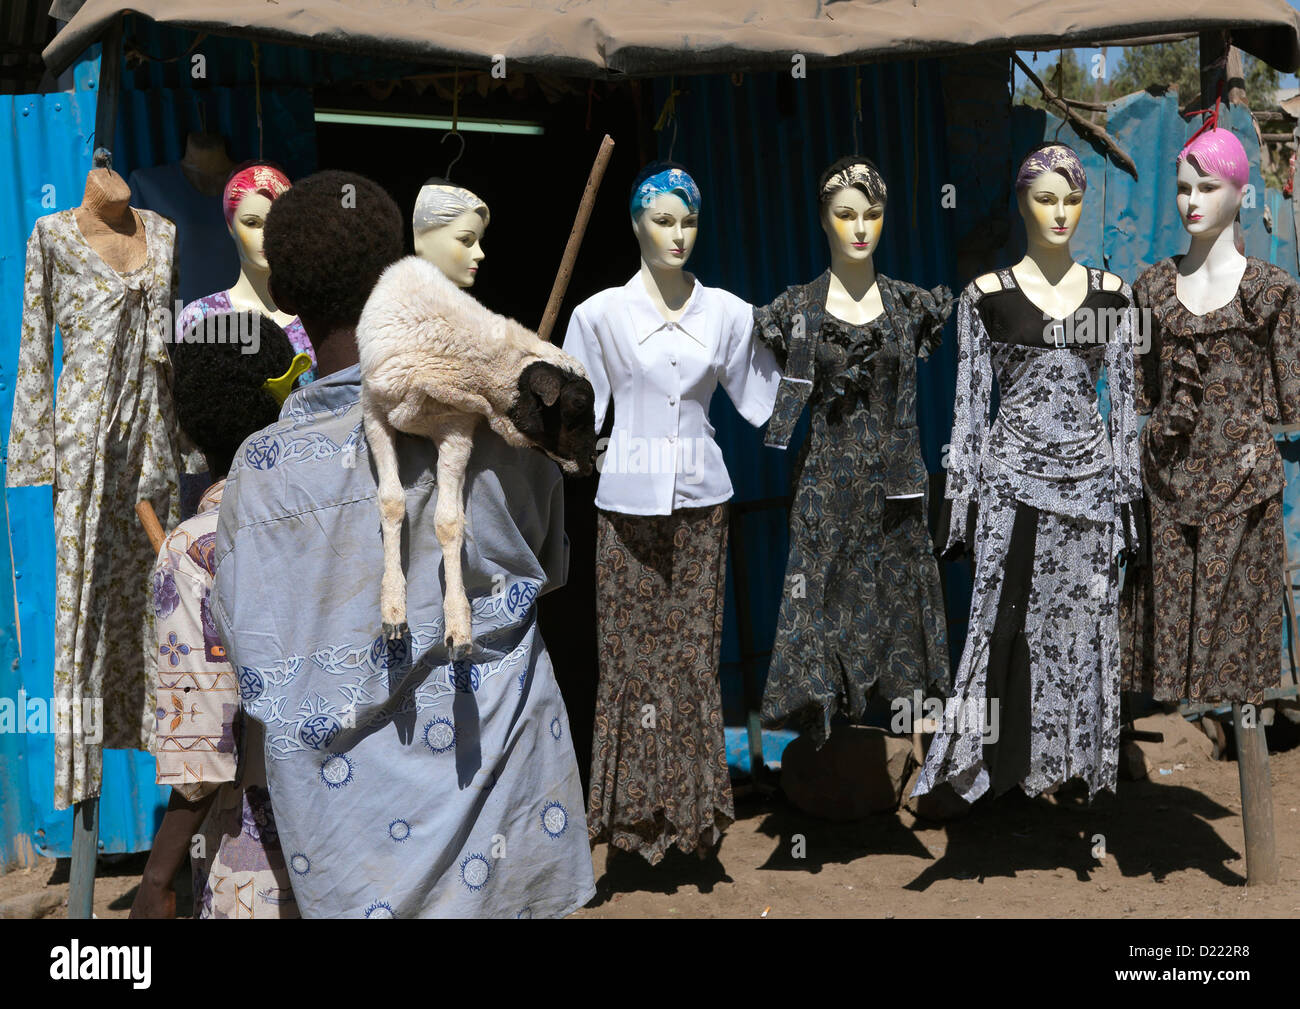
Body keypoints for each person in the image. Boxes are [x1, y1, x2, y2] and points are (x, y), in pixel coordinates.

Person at [211, 171, 596, 917]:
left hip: (352, 866)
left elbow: (254, 664)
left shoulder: (259, 475)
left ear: (285, 297)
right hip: (508, 843)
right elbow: (549, 569)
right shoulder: (501, 429)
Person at [132, 311, 309, 918]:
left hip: (263, 871)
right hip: (369, 842)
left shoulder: (196, 549)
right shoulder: (343, 509)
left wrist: (157, 877)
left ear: (185, 424)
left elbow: (201, 745)